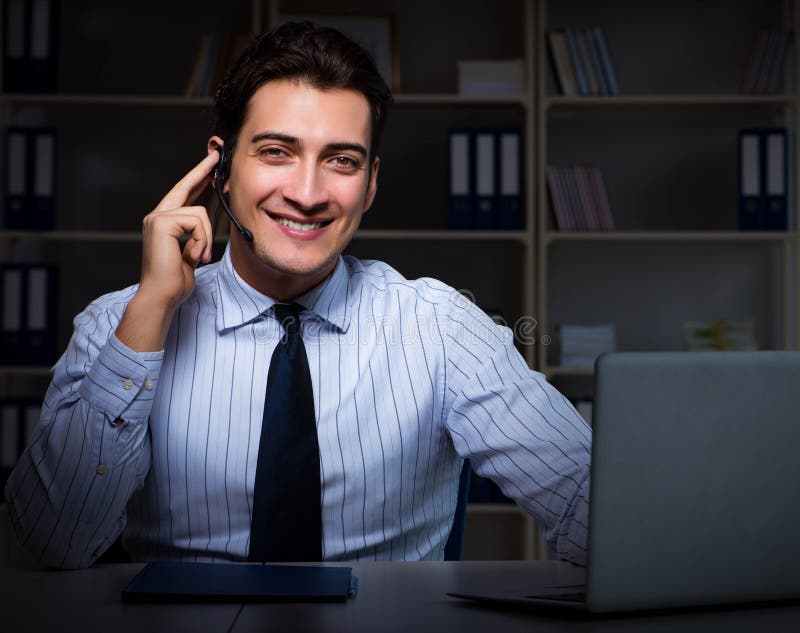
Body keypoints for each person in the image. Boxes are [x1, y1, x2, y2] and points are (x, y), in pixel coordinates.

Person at [5, 21, 590, 569]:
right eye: (276, 152)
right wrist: (151, 311)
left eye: (341, 160)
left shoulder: (441, 327)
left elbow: (593, 508)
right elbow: (55, 546)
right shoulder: (122, 322)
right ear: (222, 170)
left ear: (371, 185)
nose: (308, 193)